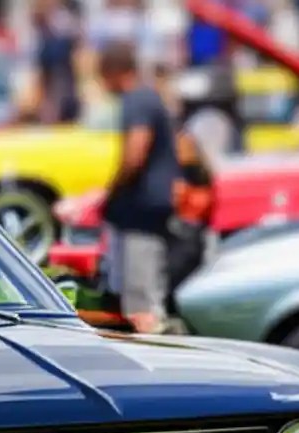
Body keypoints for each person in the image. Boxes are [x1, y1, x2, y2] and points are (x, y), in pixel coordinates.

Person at [99, 42, 181, 335]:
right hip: (152, 207)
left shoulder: (137, 100)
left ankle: (154, 350)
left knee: (140, 299)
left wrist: (112, 191)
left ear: (114, 72)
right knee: (146, 289)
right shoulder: (148, 97)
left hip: (141, 209)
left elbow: (135, 152)